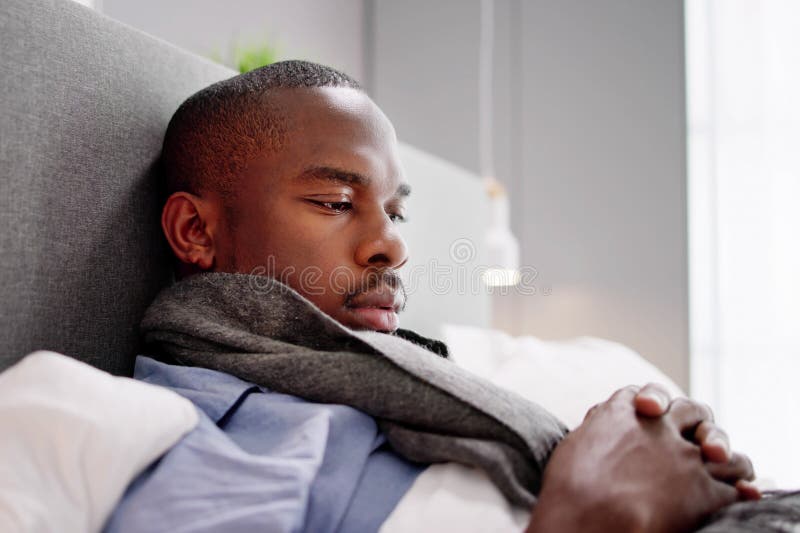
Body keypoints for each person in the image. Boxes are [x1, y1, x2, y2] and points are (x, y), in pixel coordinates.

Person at [113, 60, 760, 533]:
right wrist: (600, 507)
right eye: (338, 202)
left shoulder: (415, 392)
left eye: (397, 213)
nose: (392, 247)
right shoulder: (198, 439)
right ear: (196, 230)